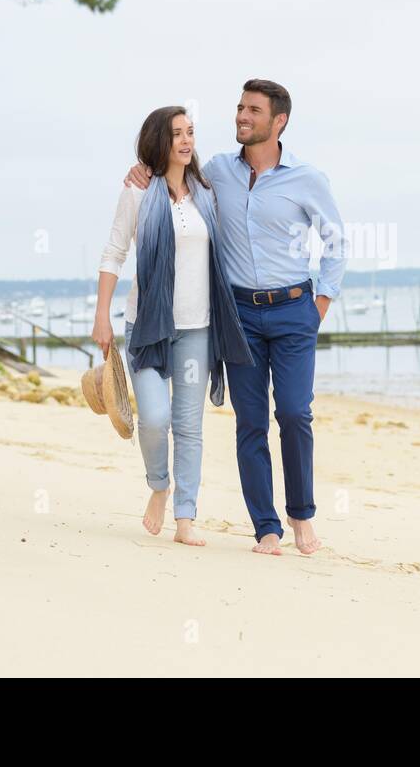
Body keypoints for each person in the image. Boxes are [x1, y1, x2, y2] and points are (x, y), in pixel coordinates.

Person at [126, 79, 347, 556]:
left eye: (253, 110)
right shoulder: (218, 172)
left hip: (293, 311)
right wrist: (141, 170)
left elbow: (336, 242)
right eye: (240, 108)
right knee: (250, 421)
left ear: (278, 121)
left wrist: (320, 305)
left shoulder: (307, 179)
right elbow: (172, 175)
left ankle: (301, 515)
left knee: (293, 412)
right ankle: (266, 528)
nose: (242, 117)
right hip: (238, 314)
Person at [94, 105, 252, 547]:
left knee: (188, 426)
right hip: (147, 326)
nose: (186, 141)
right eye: (177, 134)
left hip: (197, 328)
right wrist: (101, 314)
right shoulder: (138, 193)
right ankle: (158, 485)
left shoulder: (206, 190)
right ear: (158, 142)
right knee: (153, 419)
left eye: (190, 132)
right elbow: (113, 253)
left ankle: (186, 518)